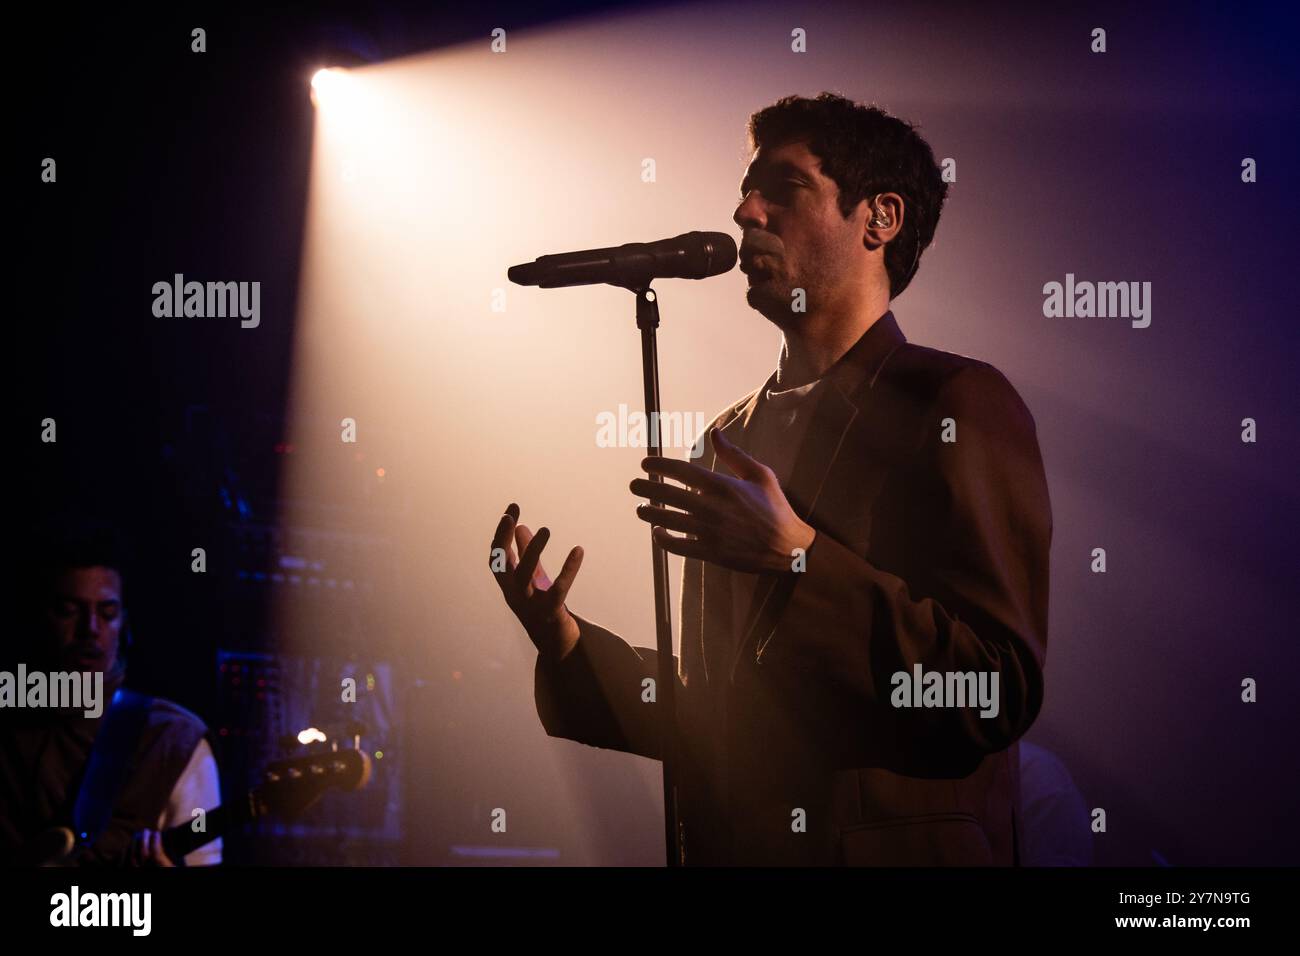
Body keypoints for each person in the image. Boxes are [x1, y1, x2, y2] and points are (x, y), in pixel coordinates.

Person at [490, 92, 1052, 865]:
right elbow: (718, 714)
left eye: (782, 189)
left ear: (879, 218)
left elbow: (994, 691)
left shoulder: (954, 403)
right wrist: (569, 644)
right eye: (747, 190)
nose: (744, 210)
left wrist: (801, 562)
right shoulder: (730, 435)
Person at [0, 524, 222, 866]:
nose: (90, 628)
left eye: (107, 613)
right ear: (38, 618)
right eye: (68, 610)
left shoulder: (172, 739)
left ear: (125, 624)